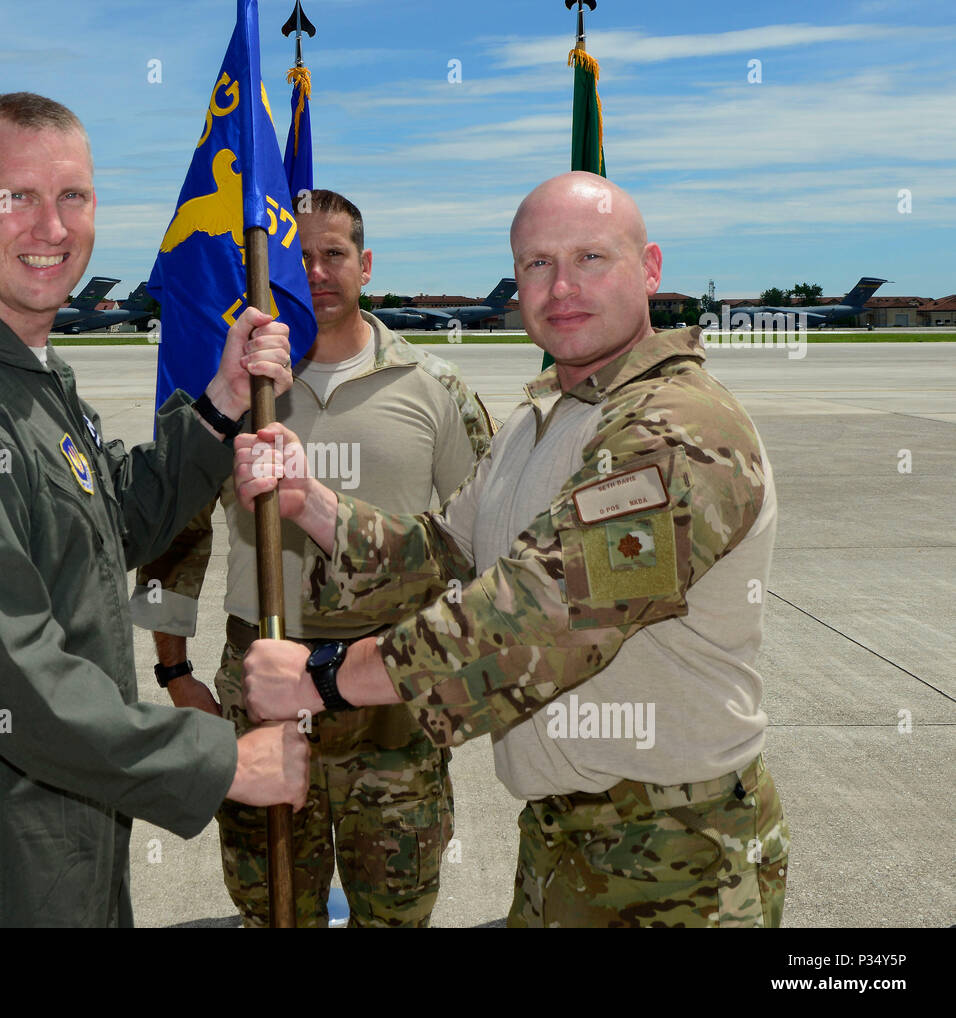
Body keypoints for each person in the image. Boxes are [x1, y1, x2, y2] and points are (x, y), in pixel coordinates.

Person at [236, 171, 791, 928]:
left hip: (674, 857)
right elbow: (448, 553)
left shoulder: (677, 426)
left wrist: (325, 679)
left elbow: (547, 616)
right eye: (537, 264)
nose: (561, 286)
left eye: (591, 257)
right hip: (565, 837)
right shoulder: (544, 419)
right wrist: (313, 504)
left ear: (651, 268)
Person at [0, 92, 307, 928]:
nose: (52, 227)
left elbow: (106, 522)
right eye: (18, 196)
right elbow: (20, 680)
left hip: (61, 837)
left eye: (74, 197)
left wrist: (222, 404)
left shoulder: (24, 376)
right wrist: (223, 759)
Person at [130, 189, 493, 927]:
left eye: (333, 254)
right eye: (298, 257)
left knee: (396, 912)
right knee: (272, 910)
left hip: (390, 696)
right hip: (260, 689)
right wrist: (174, 674)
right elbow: (174, 541)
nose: (316, 272)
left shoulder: (435, 388)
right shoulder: (235, 395)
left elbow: (481, 545)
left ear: (366, 265)